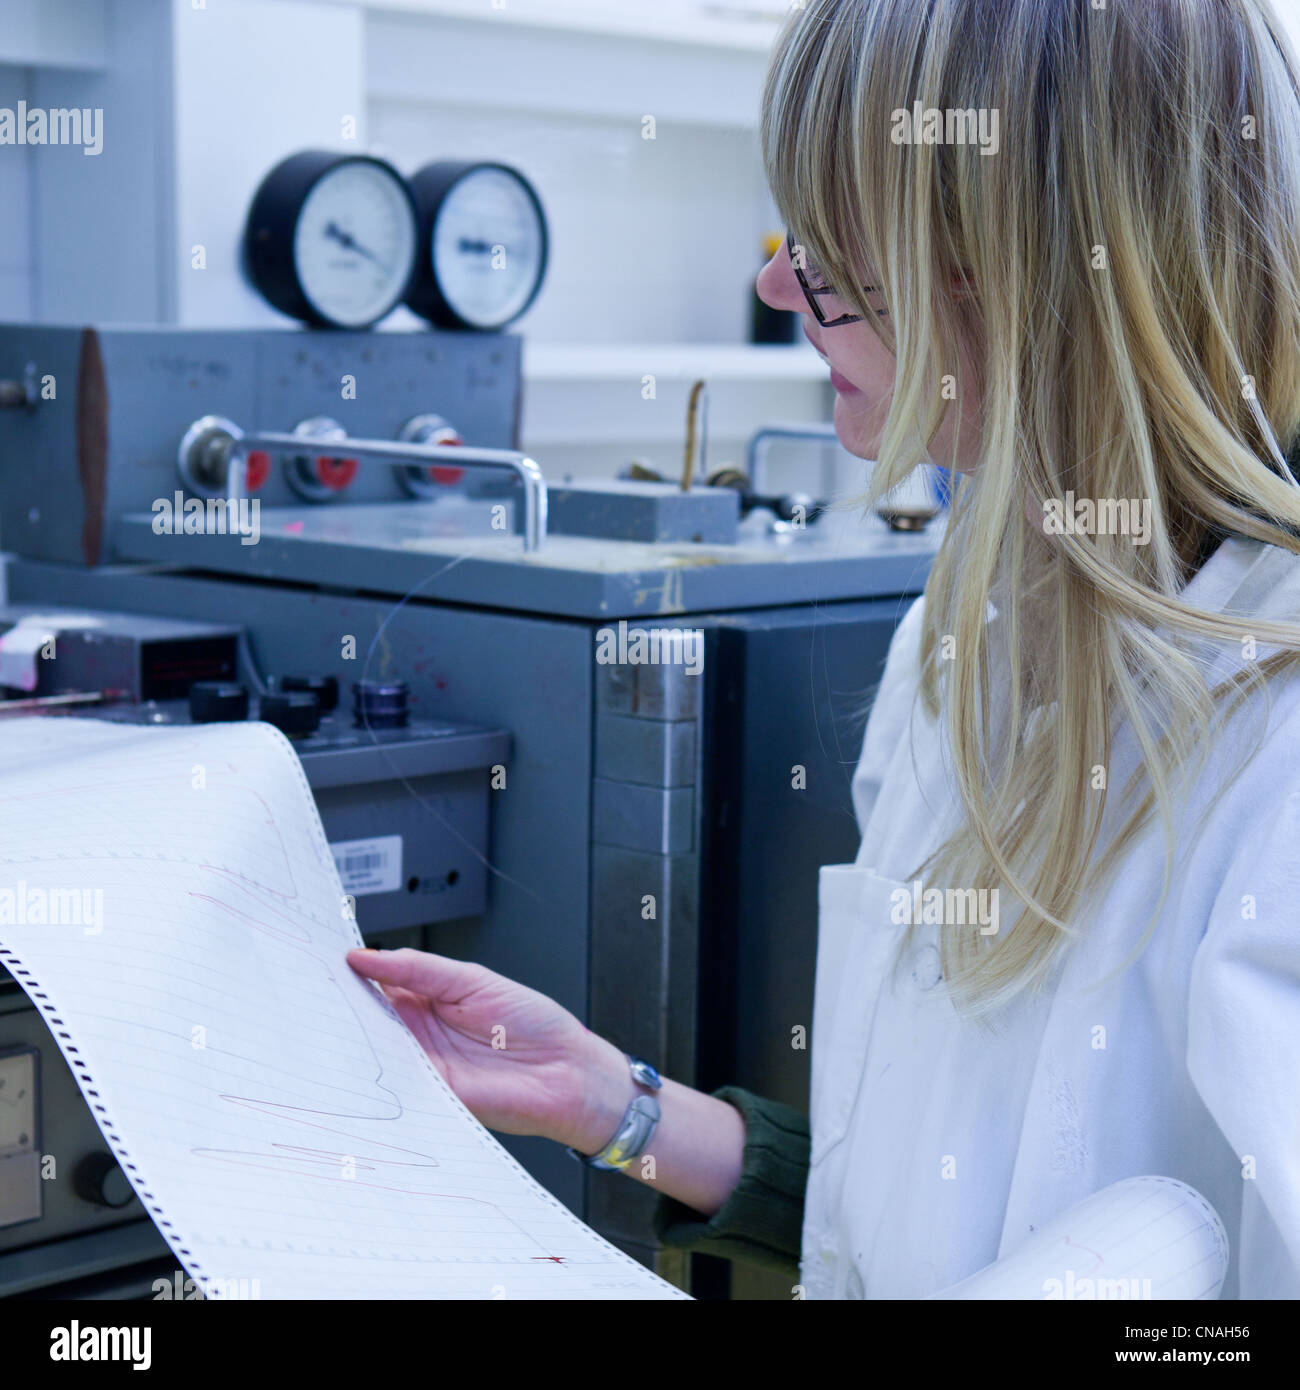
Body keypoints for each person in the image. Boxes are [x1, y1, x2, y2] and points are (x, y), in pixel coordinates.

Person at [350, 0, 1300, 1298]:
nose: (775, 287)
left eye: (841, 259)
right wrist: (616, 1105)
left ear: (1028, 278)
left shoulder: (1275, 736)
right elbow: (922, 1191)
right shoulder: (960, 651)